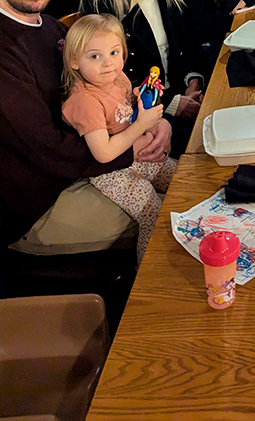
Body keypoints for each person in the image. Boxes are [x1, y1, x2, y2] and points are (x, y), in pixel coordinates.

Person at [0, 0, 172, 255]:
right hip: (41, 200)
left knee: (184, 183)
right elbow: (43, 148)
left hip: (90, 163)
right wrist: (131, 147)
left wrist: (157, 121)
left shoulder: (49, 26)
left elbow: (108, 86)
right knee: (165, 214)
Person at [80, 0, 202, 156]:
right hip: (135, 115)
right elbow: (105, 75)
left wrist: (193, 81)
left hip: (180, 92)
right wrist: (171, 103)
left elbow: (187, 40)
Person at [61, 14, 176, 262]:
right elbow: (103, 153)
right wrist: (142, 124)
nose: (108, 64)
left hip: (137, 155)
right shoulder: (85, 101)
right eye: (95, 56)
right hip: (111, 173)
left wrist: (145, 102)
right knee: (151, 212)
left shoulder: (118, 77)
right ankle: (147, 272)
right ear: (74, 62)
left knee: (181, 179)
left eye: (114, 53)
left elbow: (129, 114)